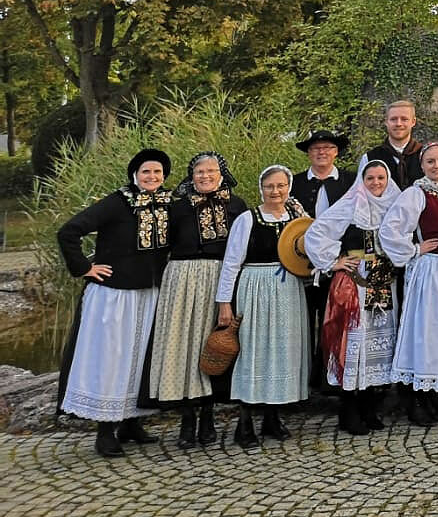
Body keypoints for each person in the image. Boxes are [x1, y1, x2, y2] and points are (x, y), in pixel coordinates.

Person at [57, 148, 172, 458]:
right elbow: (69, 231)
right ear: (134, 174)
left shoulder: (165, 203)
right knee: (112, 360)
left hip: (148, 293)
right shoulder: (117, 202)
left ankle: (131, 422)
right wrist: (84, 267)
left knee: (138, 358)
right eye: (146, 172)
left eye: (157, 172)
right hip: (114, 295)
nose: (152, 177)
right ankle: (105, 431)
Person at [149, 151, 246, 449]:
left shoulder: (238, 206)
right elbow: (157, 246)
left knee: (214, 345)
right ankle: (187, 417)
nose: (204, 176)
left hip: (220, 280)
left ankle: (208, 414)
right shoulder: (176, 208)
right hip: (182, 279)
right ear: (191, 175)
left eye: (211, 171)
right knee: (183, 346)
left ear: (222, 173)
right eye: (199, 171)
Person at [304, 159, 401, 434]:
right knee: (354, 345)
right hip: (356, 285)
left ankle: (371, 408)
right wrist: (333, 262)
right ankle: (349, 411)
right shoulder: (350, 205)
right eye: (370, 178)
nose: (376, 183)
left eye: (381, 178)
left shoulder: (395, 204)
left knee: (378, 348)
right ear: (362, 180)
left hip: (384, 284)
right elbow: (316, 234)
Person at [379, 142, 438, 426]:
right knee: (427, 330)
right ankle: (416, 400)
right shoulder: (415, 194)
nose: (437, 166)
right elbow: (390, 229)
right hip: (431, 271)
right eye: (431, 161)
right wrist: (415, 249)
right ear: (422, 165)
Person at [216, 165, 310, 446]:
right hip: (256, 285)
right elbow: (232, 262)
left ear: (288, 188)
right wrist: (224, 302)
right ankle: (244, 424)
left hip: (289, 289)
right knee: (254, 349)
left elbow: (313, 248)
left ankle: (272, 417)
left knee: (282, 350)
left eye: (281, 186)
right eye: (270, 186)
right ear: (261, 188)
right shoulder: (248, 219)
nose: (275, 191)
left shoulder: (296, 219)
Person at [291, 127, 352, 395]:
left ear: (336, 152)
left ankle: (332, 382)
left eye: (327, 148)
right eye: (316, 149)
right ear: (308, 154)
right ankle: (303, 383)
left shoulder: (351, 182)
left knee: (336, 322)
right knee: (303, 324)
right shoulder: (293, 183)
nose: (322, 152)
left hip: (338, 263)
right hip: (301, 263)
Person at [358, 100, 423, 191]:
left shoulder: (426, 155)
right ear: (386, 122)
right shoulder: (369, 158)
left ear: (413, 122)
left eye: (404, 119)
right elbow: (361, 194)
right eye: (393, 119)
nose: (398, 124)